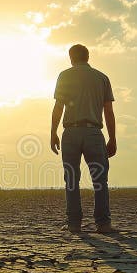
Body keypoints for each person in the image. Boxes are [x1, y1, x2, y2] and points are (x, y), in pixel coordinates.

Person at [50, 44, 117, 234]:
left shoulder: (65, 76)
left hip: (70, 133)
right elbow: (109, 111)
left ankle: (73, 224)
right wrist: (112, 138)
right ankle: (103, 224)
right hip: (94, 133)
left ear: (71, 58)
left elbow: (58, 107)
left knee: (71, 179)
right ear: (88, 57)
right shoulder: (102, 78)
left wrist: (53, 132)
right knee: (100, 180)